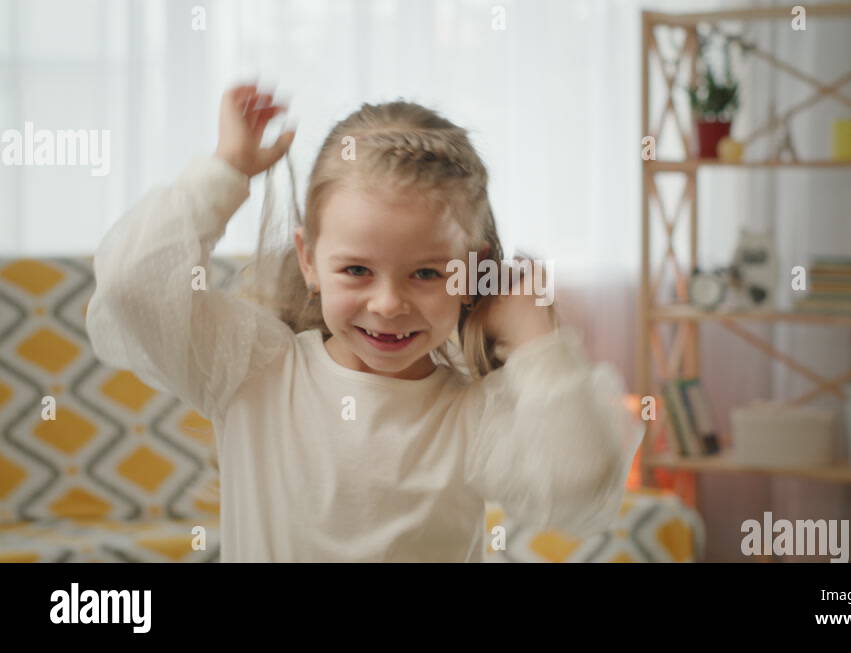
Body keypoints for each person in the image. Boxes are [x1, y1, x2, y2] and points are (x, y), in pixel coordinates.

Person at [85, 84, 643, 562]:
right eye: (356, 269)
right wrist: (225, 170)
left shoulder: (470, 415)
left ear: (471, 273)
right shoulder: (254, 368)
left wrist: (537, 342)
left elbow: (582, 485)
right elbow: (132, 284)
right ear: (308, 260)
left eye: (425, 272)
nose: (387, 303)